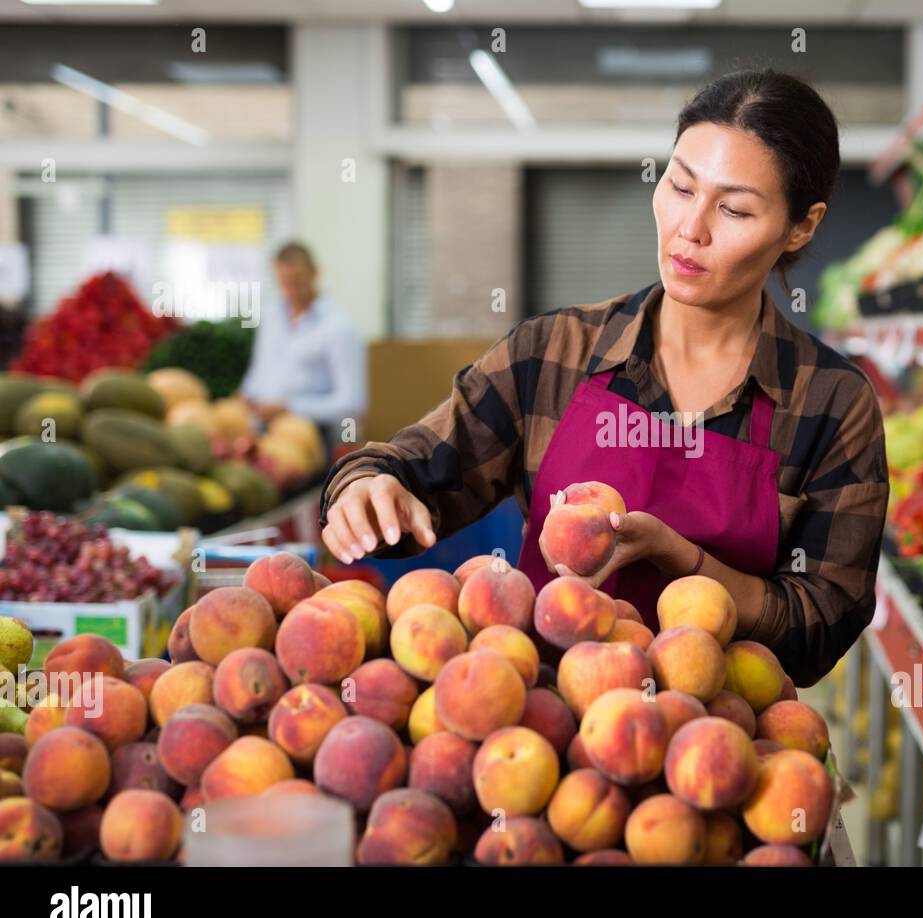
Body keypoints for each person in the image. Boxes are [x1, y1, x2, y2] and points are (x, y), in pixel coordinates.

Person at [319, 70, 888, 686]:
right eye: (679, 186)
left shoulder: (832, 403)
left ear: (801, 226)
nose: (690, 229)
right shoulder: (554, 352)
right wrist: (366, 486)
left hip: (719, 745)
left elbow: (822, 626)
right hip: (540, 723)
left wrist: (683, 558)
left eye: (734, 209)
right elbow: (416, 469)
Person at [239, 241, 367, 440]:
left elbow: (351, 403)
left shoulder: (339, 327)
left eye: (296, 281)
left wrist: (291, 407)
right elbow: (259, 372)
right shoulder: (271, 315)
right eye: (284, 282)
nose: (291, 290)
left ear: (314, 273)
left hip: (312, 434)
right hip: (261, 429)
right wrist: (246, 394)